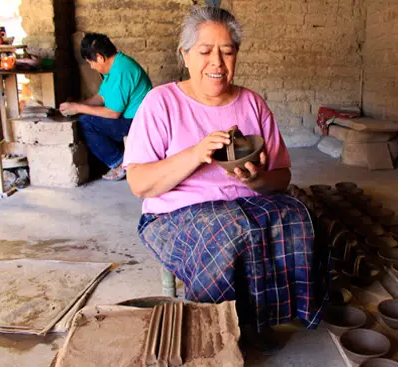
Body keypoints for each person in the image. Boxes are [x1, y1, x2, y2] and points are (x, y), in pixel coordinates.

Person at [123, 7, 329, 353]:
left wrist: (255, 180)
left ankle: (264, 317)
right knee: (228, 228)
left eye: (227, 51)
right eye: (205, 52)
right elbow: (139, 184)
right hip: (176, 215)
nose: (217, 63)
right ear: (185, 55)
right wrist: (195, 153)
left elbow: (281, 176)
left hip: (248, 202)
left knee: (299, 217)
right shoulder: (160, 103)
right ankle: (214, 332)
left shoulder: (252, 103)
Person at [59, 33, 152, 181]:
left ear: (100, 57)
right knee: (87, 117)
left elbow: (113, 113)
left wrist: (78, 108)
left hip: (137, 122)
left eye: (91, 62)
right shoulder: (115, 66)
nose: (91, 66)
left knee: (86, 123)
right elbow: (101, 97)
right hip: (128, 117)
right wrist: (78, 105)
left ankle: (120, 162)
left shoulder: (122, 70)